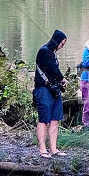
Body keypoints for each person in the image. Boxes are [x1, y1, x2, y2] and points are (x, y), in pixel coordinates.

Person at [33, 29, 68, 157]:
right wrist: (62, 79)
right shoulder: (44, 51)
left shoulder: (52, 53)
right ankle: (42, 149)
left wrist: (59, 83)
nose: (62, 46)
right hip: (43, 89)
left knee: (55, 119)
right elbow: (53, 69)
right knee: (43, 119)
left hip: (54, 90)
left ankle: (53, 149)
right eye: (62, 43)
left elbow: (52, 71)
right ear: (57, 41)